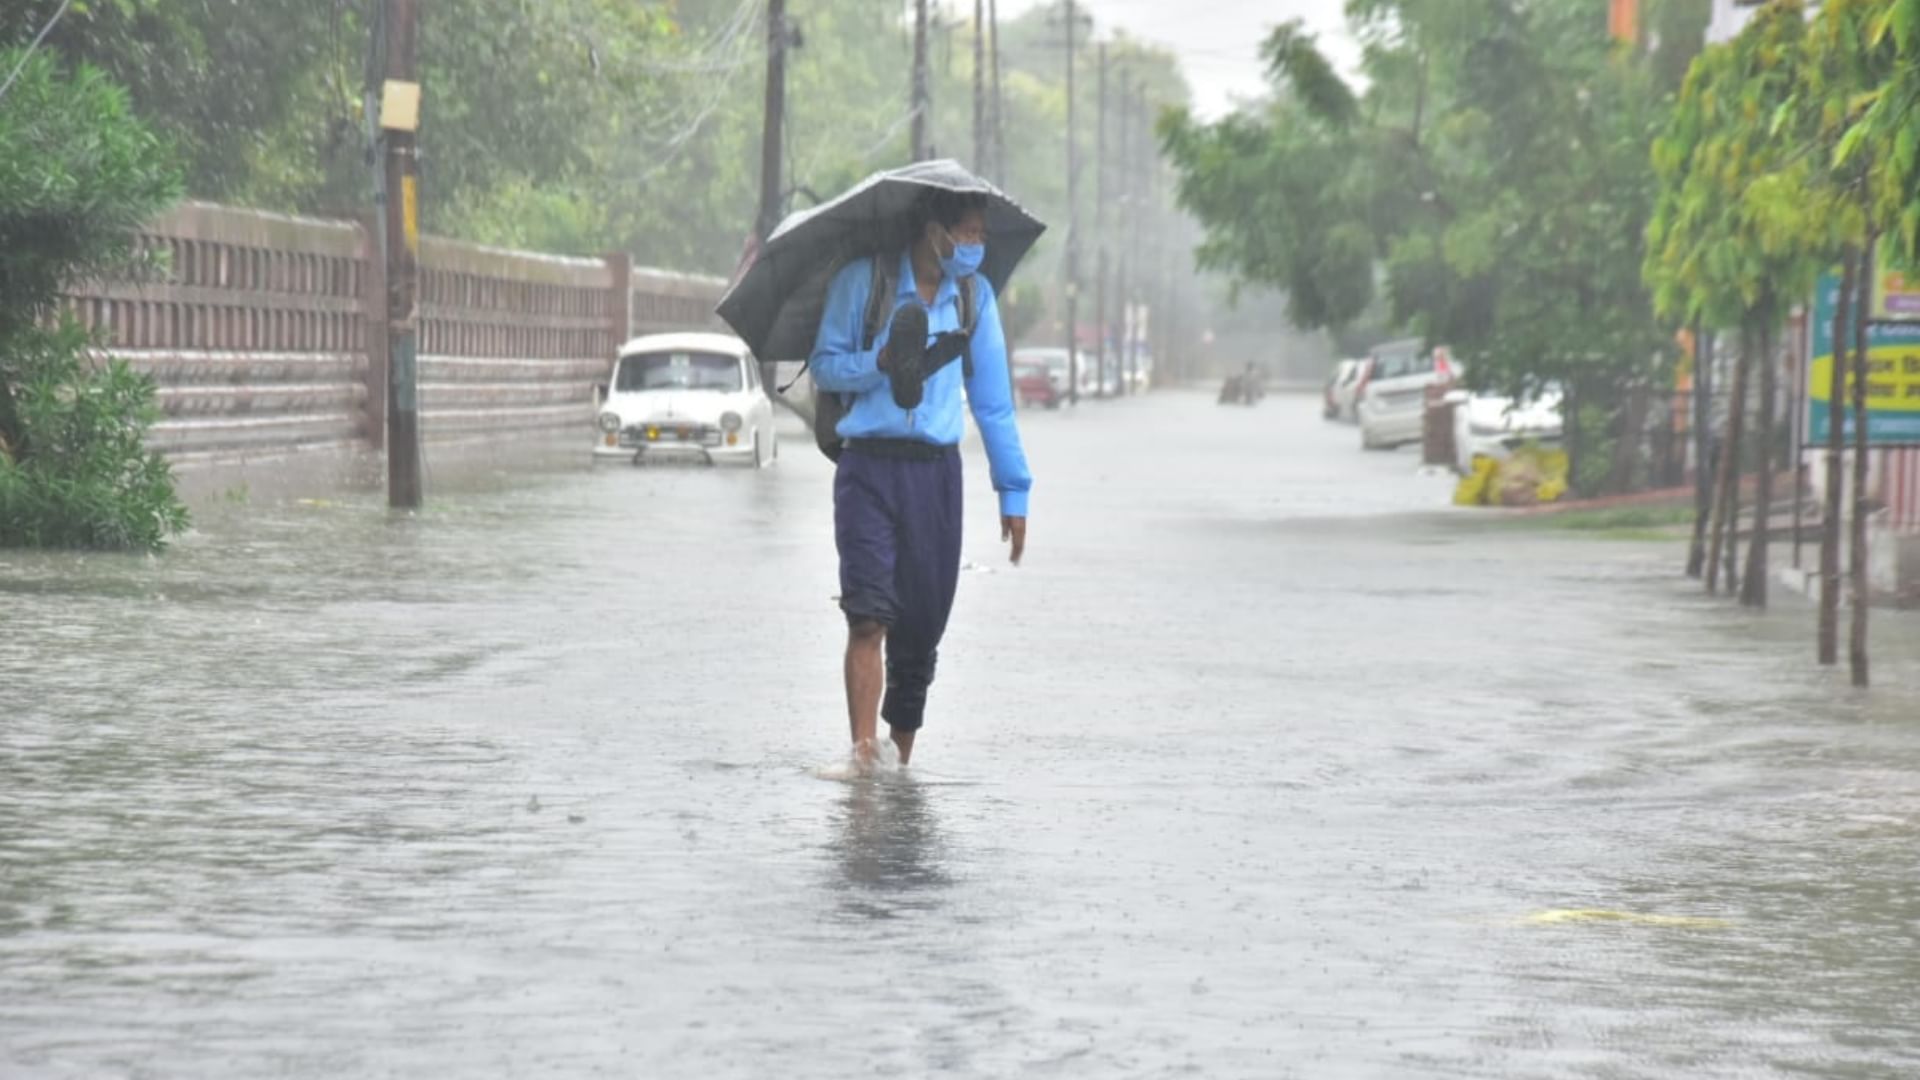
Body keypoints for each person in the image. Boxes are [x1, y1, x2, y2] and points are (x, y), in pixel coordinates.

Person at [809, 190, 1032, 769]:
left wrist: (1014, 491)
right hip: (868, 467)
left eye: (982, 236)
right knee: (868, 613)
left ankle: (898, 767)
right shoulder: (864, 284)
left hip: (936, 477)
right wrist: (879, 362)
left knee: (921, 631)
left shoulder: (973, 299)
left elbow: (994, 404)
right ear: (933, 230)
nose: (974, 246)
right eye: (966, 233)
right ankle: (863, 760)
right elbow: (826, 365)